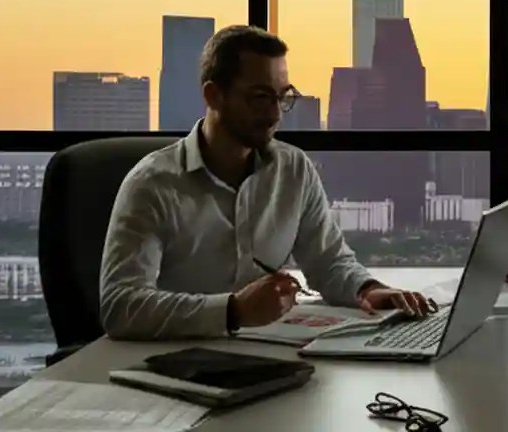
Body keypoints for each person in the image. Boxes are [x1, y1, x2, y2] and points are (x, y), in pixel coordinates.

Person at [100, 25, 435, 340]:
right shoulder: (153, 185)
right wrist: (233, 311)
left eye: (282, 97)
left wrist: (368, 290)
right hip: (171, 365)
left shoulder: (293, 170)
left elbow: (329, 262)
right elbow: (121, 305)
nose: (275, 114)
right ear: (214, 96)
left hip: (267, 355)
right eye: (260, 98)